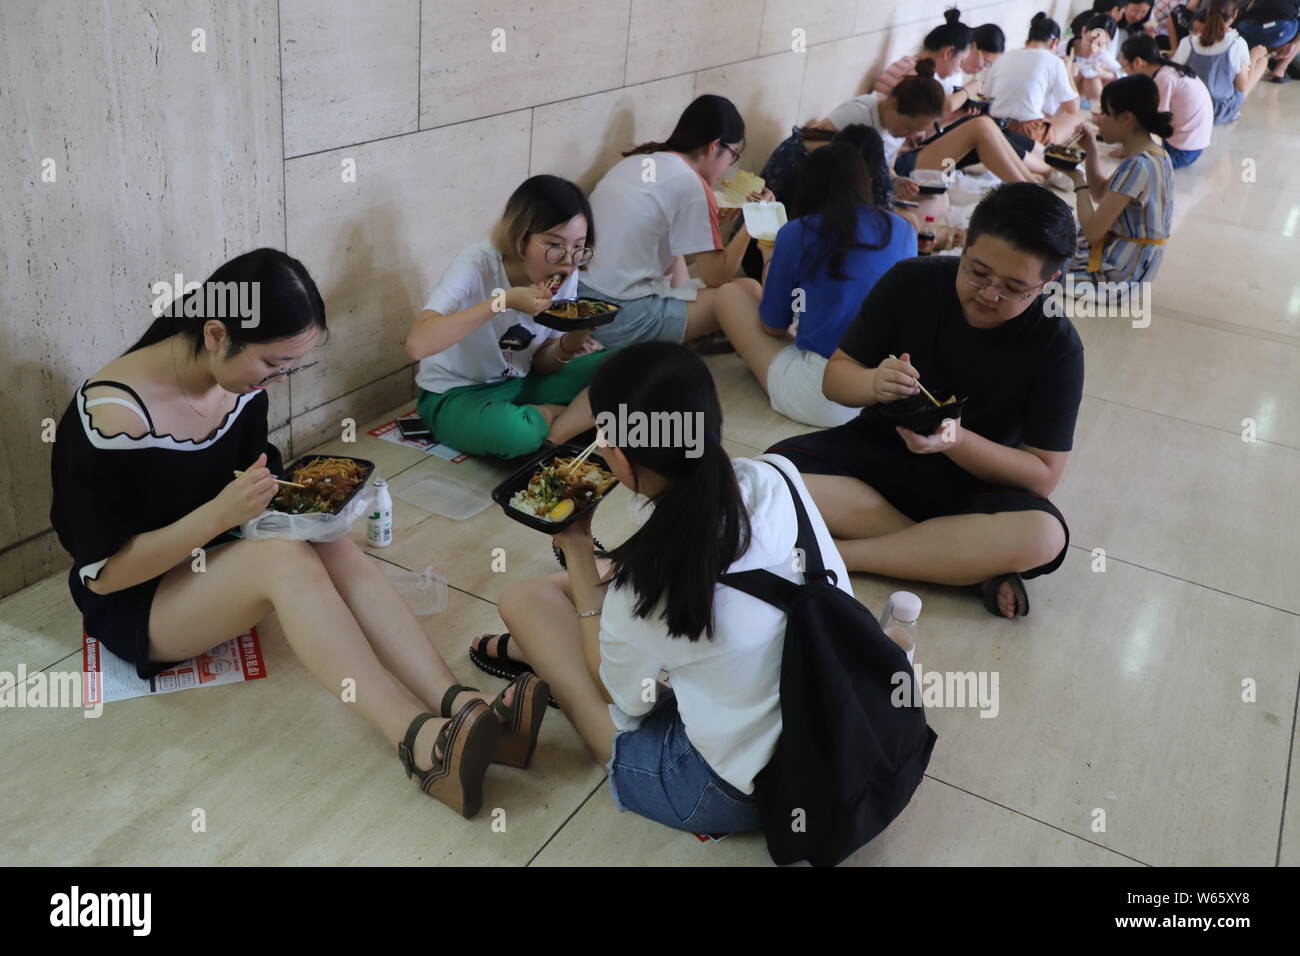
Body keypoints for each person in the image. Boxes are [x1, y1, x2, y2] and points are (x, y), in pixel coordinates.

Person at [50, 249, 549, 817]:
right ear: (217, 334)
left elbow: (255, 482)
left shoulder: (238, 386)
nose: (278, 379)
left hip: (213, 560)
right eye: (273, 364)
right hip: (139, 601)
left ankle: (457, 701)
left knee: (322, 538)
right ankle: (416, 740)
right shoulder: (112, 418)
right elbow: (105, 574)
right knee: (281, 559)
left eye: (290, 366)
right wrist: (217, 515)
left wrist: (320, 505)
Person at [475, 341, 853, 835]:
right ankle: (541, 650)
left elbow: (623, 699)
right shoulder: (774, 474)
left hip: (731, 791)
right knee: (575, 590)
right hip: (834, 723)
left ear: (620, 458)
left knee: (523, 600)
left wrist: (576, 543)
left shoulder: (646, 586)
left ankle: (542, 656)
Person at [764, 183, 1083, 619]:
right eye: (978, 272)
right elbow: (836, 380)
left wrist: (954, 440)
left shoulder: (1056, 344)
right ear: (964, 244)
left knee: (1044, 535)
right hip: (874, 456)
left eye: (1014, 288)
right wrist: (874, 383)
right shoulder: (912, 280)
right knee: (768, 479)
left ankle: (841, 556)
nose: (989, 294)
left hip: (972, 483)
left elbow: (1043, 474)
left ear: (1049, 282)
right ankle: (964, 564)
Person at [714, 137, 917, 428]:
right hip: (886, 390)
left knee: (731, 294)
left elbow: (773, 327)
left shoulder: (797, 232)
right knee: (749, 290)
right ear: (864, 182)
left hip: (825, 396)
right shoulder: (902, 229)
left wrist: (769, 257)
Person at [407, 175, 611, 460]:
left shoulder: (567, 269)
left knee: (628, 368)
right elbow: (418, 344)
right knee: (512, 433)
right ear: (520, 236)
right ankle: (563, 419)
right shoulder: (477, 264)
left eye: (579, 246)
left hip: (522, 384)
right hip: (456, 394)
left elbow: (541, 364)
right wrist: (505, 300)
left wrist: (573, 340)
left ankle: (552, 434)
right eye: (554, 245)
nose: (568, 259)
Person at [577, 95, 768, 350]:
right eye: (731, 156)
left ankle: (683, 331)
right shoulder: (692, 184)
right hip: (622, 320)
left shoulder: (641, 159)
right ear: (714, 146)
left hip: (578, 300)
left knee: (675, 254)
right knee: (746, 291)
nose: (727, 167)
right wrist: (753, 222)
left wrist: (704, 221)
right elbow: (717, 277)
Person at [820, 59, 1044, 185]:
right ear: (894, 105)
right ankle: (1031, 190)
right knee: (981, 126)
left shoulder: (898, 113)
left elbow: (887, 166)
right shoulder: (860, 112)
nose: (909, 135)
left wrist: (897, 182)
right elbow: (812, 139)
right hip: (892, 170)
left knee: (984, 124)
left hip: (895, 172)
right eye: (909, 128)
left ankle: (1032, 187)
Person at [1065, 74, 1176, 285]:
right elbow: (1100, 195)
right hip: (1137, 262)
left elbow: (1092, 233)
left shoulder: (1137, 166)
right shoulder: (1153, 154)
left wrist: (1078, 181)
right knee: (1060, 223)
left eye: (1105, 113)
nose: (1099, 119)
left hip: (1119, 272)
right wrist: (1091, 151)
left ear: (1126, 118)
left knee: (1040, 262)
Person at [985, 13, 1086, 145]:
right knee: (1078, 118)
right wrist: (1068, 71)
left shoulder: (1006, 56)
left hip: (994, 126)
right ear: (1055, 42)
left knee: (1047, 116)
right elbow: (1073, 108)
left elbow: (987, 94)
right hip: (1028, 131)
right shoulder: (1055, 62)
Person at [1121, 33, 1215, 166]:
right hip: (1193, 145)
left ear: (1137, 62)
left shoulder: (1163, 79)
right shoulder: (1168, 69)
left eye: (1124, 65)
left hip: (1181, 152)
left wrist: (1128, 147)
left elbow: (1154, 122)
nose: (1124, 72)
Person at [1172, 0, 1272, 120]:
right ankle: (1233, 110)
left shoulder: (1188, 42)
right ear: (1234, 15)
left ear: (1208, 11)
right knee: (1263, 61)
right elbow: (1242, 86)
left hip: (1190, 107)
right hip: (1218, 111)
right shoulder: (1237, 43)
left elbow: (1173, 75)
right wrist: (1254, 56)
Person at [1233, 0, 1300, 81]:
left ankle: (1254, 58)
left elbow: (1246, 6)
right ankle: (1280, 69)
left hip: (1245, 28)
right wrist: (1295, 43)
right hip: (1278, 29)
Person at [1070, 15, 1125, 105]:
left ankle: (1097, 109)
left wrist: (1103, 73)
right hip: (1065, 101)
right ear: (1083, 31)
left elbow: (1122, 74)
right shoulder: (1063, 49)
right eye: (1091, 41)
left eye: (1100, 45)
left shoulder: (1102, 55)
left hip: (1087, 100)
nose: (1093, 49)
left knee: (1092, 74)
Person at [960, 23, 1007, 89]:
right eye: (985, 62)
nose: (981, 68)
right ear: (973, 46)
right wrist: (965, 92)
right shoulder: (947, 67)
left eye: (988, 65)